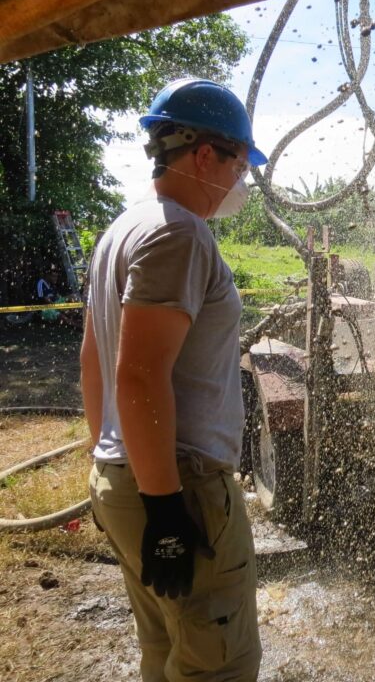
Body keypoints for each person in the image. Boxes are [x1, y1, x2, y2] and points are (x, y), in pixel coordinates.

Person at [80, 78, 267, 681]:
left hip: (129, 475)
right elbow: (137, 376)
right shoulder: (179, 233)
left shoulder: (123, 229)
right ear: (205, 154)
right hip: (179, 485)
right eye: (239, 164)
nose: (241, 180)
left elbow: (93, 360)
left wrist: (110, 461)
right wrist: (163, 509)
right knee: (219, 664)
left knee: (164, 651)